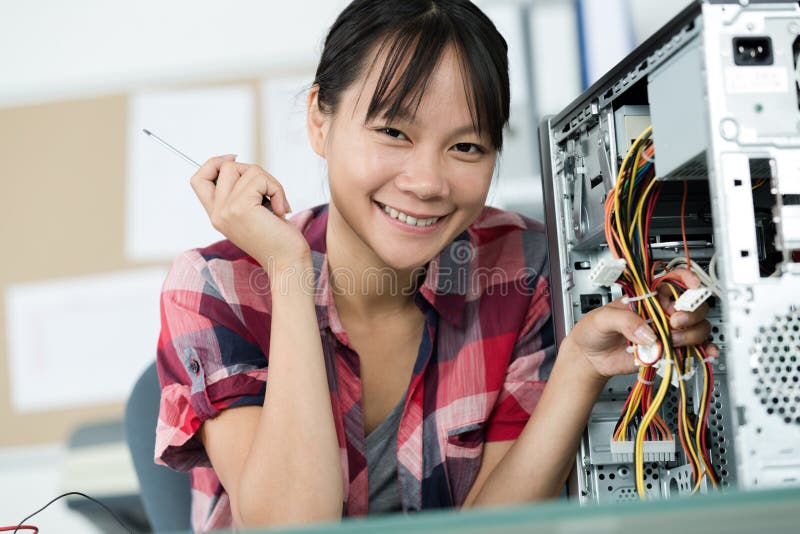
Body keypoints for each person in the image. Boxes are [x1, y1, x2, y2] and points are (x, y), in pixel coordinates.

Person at [154, 0, 717, 531]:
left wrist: (579, 368)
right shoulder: (217, 286)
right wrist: (289, 270)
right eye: (394, 133)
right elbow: (294, 527)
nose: (427, 182)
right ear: (320, 120)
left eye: (467, 147)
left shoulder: (527, 270)